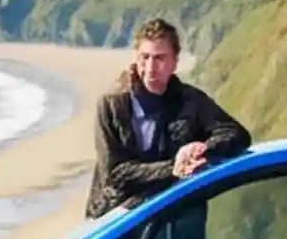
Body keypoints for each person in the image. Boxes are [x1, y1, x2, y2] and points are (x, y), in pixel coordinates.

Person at [84, 17, 251, 220]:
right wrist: (173, 168)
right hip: (116, 223)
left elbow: (237, 134)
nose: (150, 67)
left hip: (173, 221)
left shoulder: (191, 101)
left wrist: (201, 149)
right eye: (144, 57)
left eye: (159, 58)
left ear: (174, 62)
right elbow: (115, 174)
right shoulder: (111, 105)